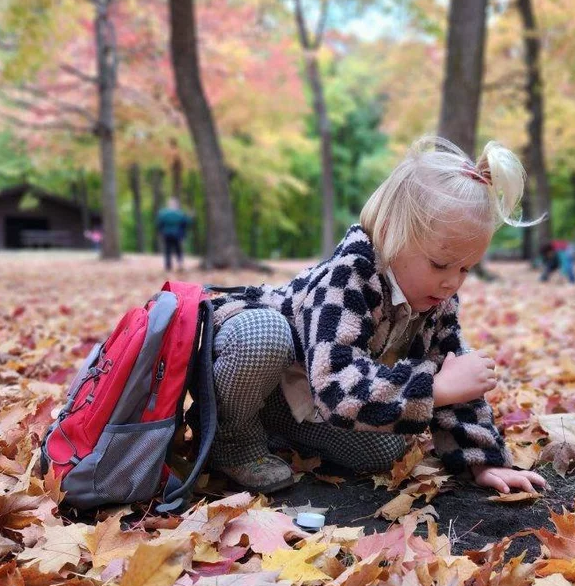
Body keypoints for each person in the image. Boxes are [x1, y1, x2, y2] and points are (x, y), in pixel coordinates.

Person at [207, 136, 549, 495]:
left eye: (466, 269)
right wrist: (435, 387)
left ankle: (275, 428)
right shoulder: (349, 276)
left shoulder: (437, 299)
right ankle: (231, 437)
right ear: (390, 234)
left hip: (302, 396)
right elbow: (339, 384)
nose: (452, 282)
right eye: (440, 264)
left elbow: (453, 373)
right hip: (250, 364)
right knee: (264, 334)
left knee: (387, 448)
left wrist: (483, 461)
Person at [156, 197, 191, 271]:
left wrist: (161, 232)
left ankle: (168, 266)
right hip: (177, 234)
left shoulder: (163, 213)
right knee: (178, 249)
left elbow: (159, 224)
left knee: (167, 250)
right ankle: (180, 264)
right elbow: (185, 224)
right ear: (176, 205)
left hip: (167, 234)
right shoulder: (180, 214)